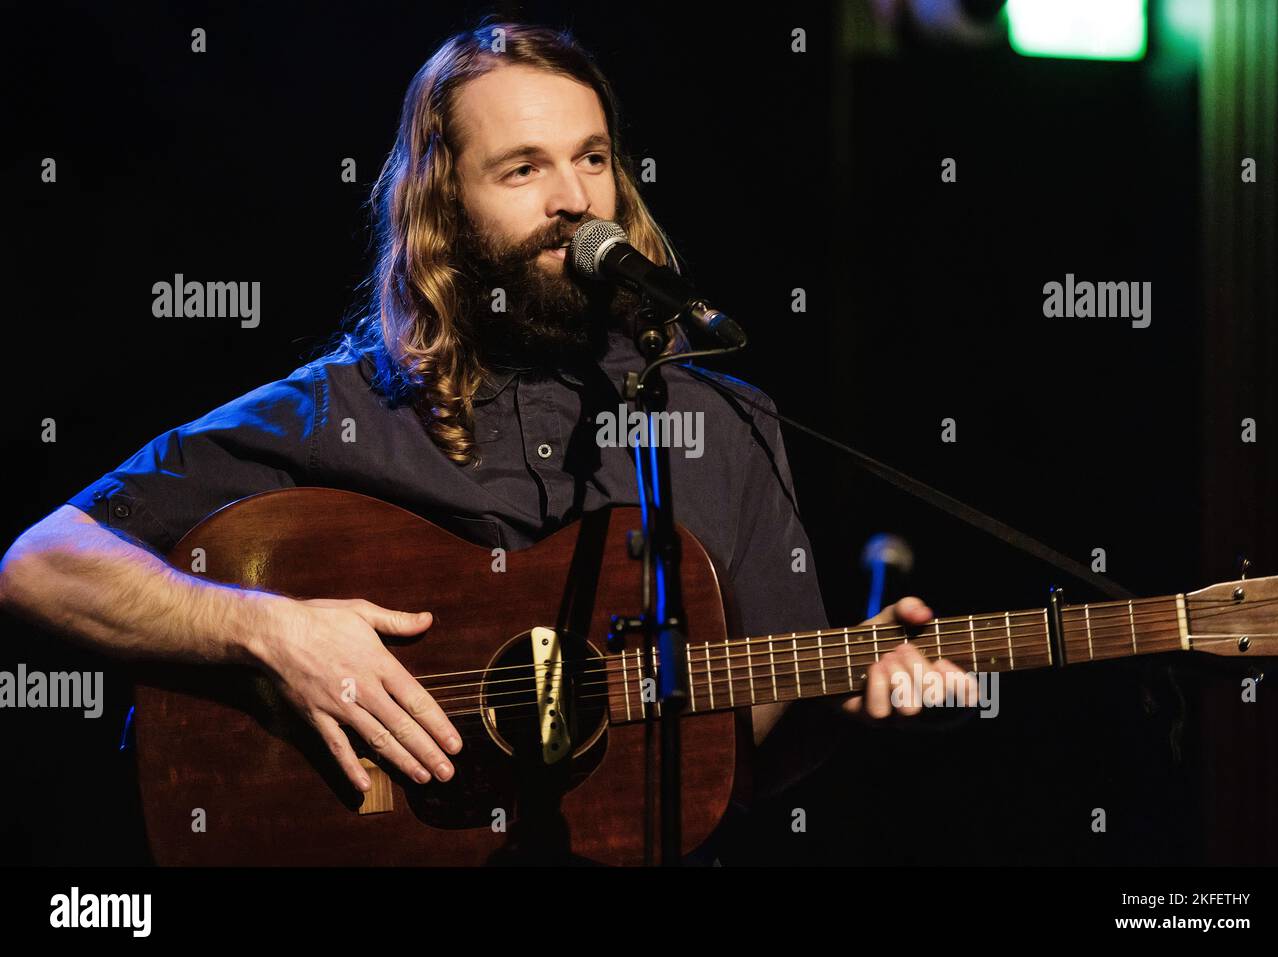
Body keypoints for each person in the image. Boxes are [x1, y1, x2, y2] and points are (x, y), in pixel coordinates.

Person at [0, 21, 967, 838]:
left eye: (593, 158)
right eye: (522, 168)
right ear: (443, 204)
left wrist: (847, 698)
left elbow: (743, 760)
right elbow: (40, 564)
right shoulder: (344, 408)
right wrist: (269, 632)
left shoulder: (722, 421)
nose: (575, 200)